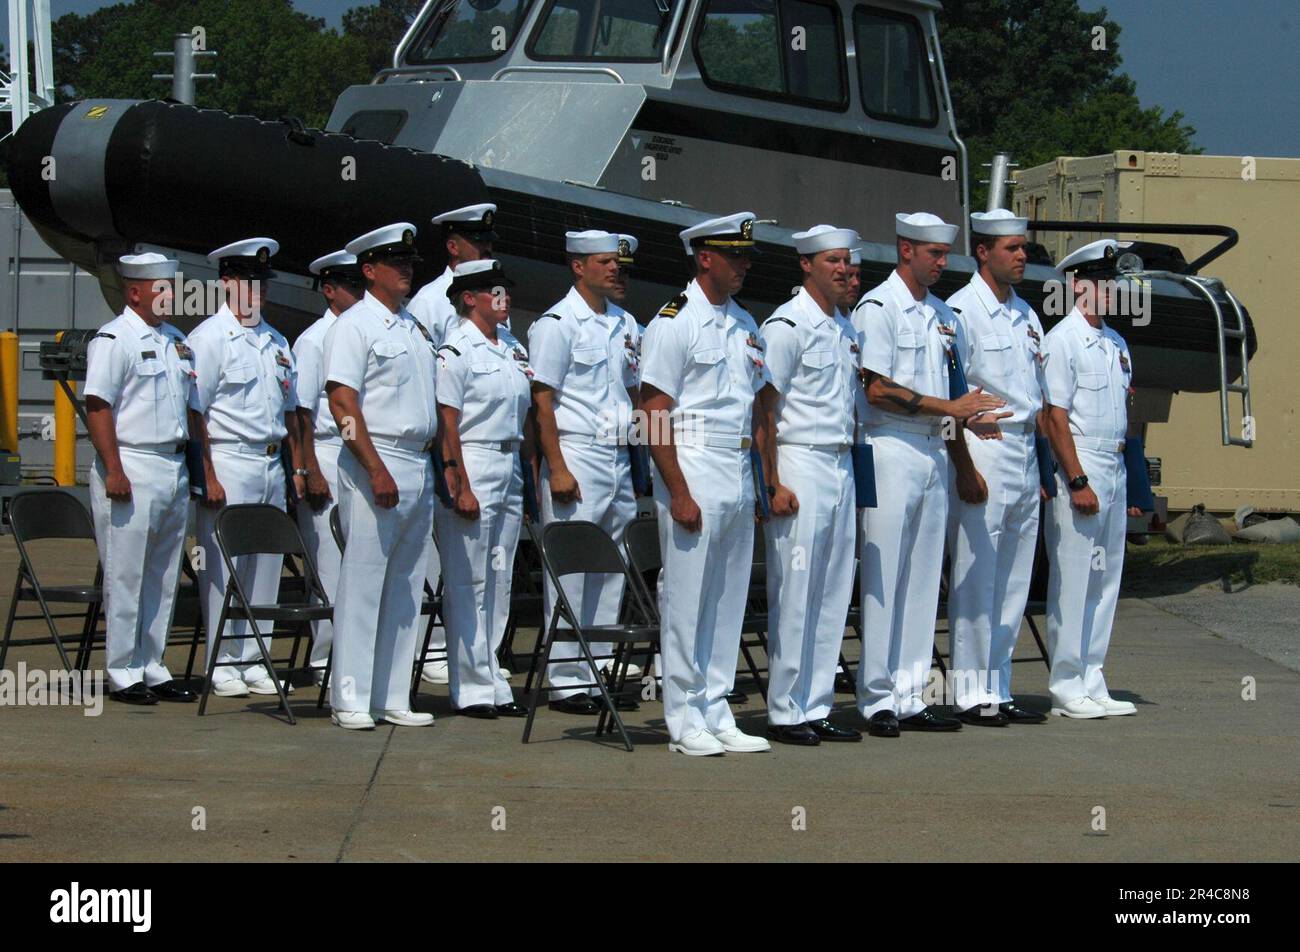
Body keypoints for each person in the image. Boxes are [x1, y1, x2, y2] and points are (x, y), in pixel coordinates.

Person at [852, 213, 1005, 738]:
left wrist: (969, 422)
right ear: (905, 250)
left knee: (921, 579)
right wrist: (951, 407)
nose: (942, 263)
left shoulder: (945, 317)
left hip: (934, 450)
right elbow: (876, 388)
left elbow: (955, 394)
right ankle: (876, 699)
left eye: (945, 254)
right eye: (933, 254)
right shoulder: (878, 307)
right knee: (885, 576)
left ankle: (911, 693)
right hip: (889, 442)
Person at [639, 211, 778, 756]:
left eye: (747, 257)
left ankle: (716, 708)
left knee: (727, 597)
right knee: (687, 597)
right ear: (704, 257)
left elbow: (762, 406)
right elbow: (652, 410)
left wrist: (764, 482)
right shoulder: (673, 321)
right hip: (692, 461)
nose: (744, 265)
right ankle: (682, 717)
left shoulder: (745, 323)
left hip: (737, 466)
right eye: (735, 256)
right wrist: (676, 489)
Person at [323, 223, 438, 730]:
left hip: (418, 460)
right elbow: (341, 403)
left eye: (410, 263)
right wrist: (374, 467)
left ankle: (392, 694)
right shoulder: (354, 326)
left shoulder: (413, 327)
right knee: (364, 582)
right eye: (398, 263)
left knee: (408, 585)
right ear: (369, 271)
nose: (407, 270)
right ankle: (349, 695)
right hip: (379, 458)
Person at [528, 230, 642, 715]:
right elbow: (542, 402)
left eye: (618, 263)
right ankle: (566, 680)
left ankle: (596, 671)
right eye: (604, 262)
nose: (615, 269)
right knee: (573, 569)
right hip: (577, 453)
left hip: (617, 454)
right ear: (577, 266)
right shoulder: (557, 323)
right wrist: (556, 467)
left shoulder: (627, 322)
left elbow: (635, 397)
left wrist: (640, 463)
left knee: (611, 568)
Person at [758, 225, 863, 745]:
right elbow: (765, 409)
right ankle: (784, 707)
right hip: (799, 460)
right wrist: (771, 481)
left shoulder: (844, 327)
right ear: (806, 265)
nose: (843, 269)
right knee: (796, 590)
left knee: (832, 590)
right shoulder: (786, 325)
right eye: (831, 261)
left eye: (846, 260)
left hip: (839, 463)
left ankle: (817, 703)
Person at [945, 209, 1049, 726]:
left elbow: (1038, 394)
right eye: (1011, 248)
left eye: (1023, 247)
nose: (1022, 255)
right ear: (983, 251)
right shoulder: (960, 311)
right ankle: (968, 690)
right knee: (977, 572)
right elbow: (949, 391)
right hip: (984, 442)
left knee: (1013, 576)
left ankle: (999, 685)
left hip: (1025, 447)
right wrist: (963, 462)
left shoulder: (1028, 314)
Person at [83, 253, 197, 704]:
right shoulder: (114, 339)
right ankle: (122, 670)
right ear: (134, 292)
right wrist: (113, 468)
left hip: (171, 465)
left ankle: (153, 664)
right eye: (160, 289)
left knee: (164, 573)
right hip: (131, 462)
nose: (169, 296)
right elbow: (98, 406)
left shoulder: (174, 340)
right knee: (126, 572)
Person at [188, 238, 298, 698]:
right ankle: (221, 660)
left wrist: (298, 469)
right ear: (228, 283)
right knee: (224, 566)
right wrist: (207, 474)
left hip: (271, 460)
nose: (258, 291)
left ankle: (255, 656)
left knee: (266, 564)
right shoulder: (209, 339)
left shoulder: (276, 340)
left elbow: (290, 410)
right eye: (249, 282)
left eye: (263, 283)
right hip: (229, 458)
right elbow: (197, 413)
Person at [1041, 238, 1143, 719]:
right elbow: (1054, 416)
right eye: (1100, 283)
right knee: (1074, 579)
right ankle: (1065, 684)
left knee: (1105, 580)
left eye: (1113, 283)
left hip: (1115, 463)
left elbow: (1126, 415)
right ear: (1076, 285)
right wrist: (1077, 479)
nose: (1109, 291)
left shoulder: (1116, 342)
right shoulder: (1062, 340)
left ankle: (1092, 679)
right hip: (1081, 464)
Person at [436, 259, 536, 719]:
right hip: (474, 457)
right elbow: (448, 422)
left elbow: (526, 414)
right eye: (494, 291)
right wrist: (458, 480)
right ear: (469, 298)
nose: (505, 298)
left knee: (499, 578)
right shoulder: (456, 350)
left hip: (509, 460)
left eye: (506, 290)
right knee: (469, 579)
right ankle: (471, 686)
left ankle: (492, 675)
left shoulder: (512, 346)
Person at [406, 202, 497, 685]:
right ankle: (436, 648)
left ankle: (476, 652)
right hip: (448, 443)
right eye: (474, 240)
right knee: (440, 555)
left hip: (485, 443)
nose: (484, 247)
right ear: (452, 245)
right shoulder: (429, 301)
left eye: (487, 240)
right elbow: (430, 382)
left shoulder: (490, 296)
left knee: (483, 563)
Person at [292, 250, 365, 684]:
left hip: (354, 452)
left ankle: (352, 653)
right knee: (328, 562)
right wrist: (308, 470)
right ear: (330, 289)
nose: (358, 294)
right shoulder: (314, 338)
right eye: (350, 287)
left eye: (362, 285)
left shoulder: (362, 331)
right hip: (323, 448)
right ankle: (324, 658)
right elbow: (301, 411)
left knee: (358, 557)